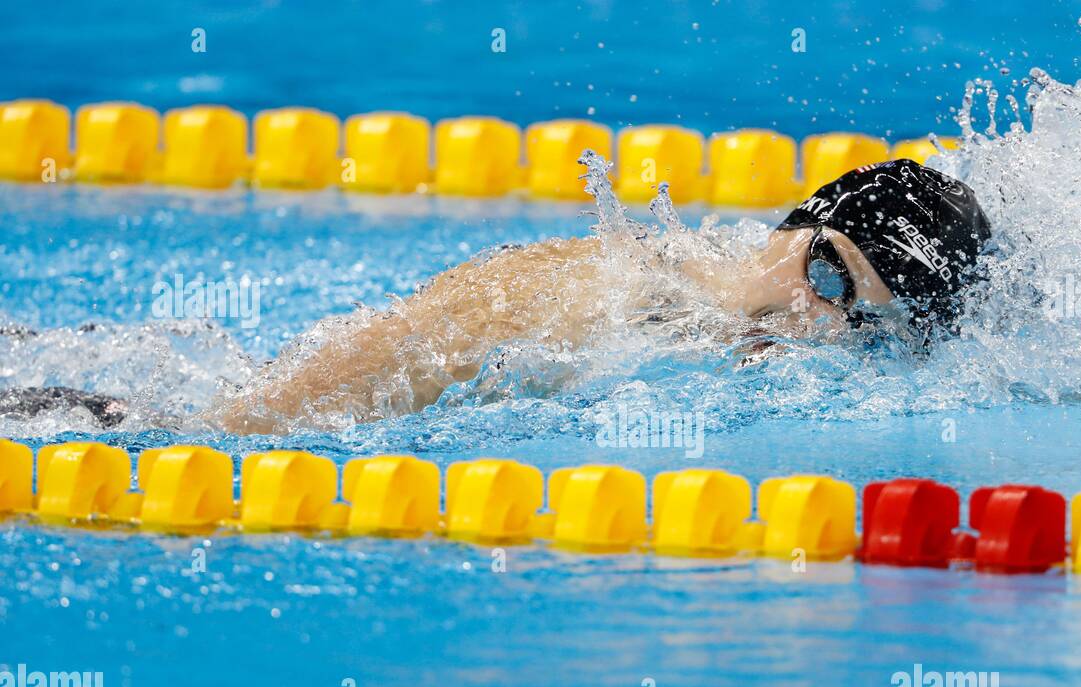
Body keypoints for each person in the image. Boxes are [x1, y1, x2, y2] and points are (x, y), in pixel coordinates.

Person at [1, 159, 993, 434]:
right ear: (792, 224)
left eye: (855, 319)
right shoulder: (625, 287)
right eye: (824, 273)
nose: (817, 320)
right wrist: (223, 436)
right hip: (195, 417)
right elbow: (407, 345)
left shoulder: (708, 336)